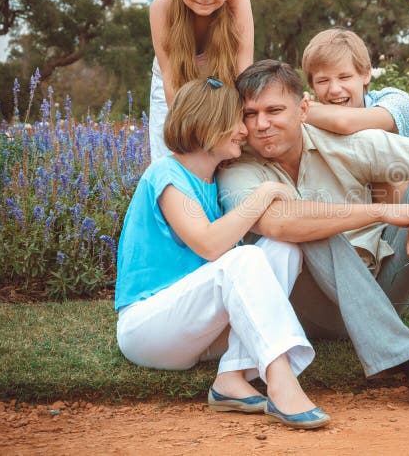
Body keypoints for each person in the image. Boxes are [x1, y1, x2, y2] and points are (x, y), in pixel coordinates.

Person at [218, 60, 409, 413]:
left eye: (274, 111)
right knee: (310, 226)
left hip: (380, 285)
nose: (261, 124)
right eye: (250, 114)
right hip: (310, 309)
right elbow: (279, 224)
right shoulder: (237, 169)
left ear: (303, 110)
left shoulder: (341, 143)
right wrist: (381, 211)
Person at [115, 78, 329, 429]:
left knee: (284, 247)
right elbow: (210, 245)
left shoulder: (214, 182)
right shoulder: (165, 174)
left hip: (200, 330)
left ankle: (231, 377)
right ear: (208, 122)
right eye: (236, 120)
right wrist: (264, 193)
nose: (245, 130)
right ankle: (281, 380)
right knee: (243, 258)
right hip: (148, 330)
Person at [148, 0, 254, 162]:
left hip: (223, 80)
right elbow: (171, 82)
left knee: (225, 158)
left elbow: (244, 74)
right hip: (174, 85)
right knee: (174, 154)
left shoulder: (238, 2)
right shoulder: (160, 8)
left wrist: (234, 124)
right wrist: (186, 133)